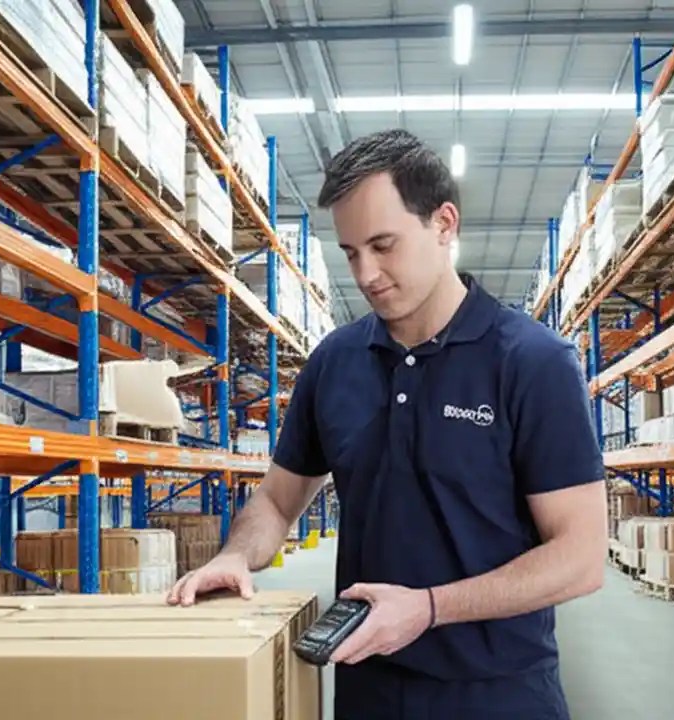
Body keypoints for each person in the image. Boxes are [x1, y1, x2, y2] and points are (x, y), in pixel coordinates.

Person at [166, 128, 607, 719]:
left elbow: (580, 556)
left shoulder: (531, 363)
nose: (366, 273)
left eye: (383, 244)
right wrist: (235, 556)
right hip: (366, 687)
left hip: (497, 693)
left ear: (444, 224)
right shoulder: (334, 362)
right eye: (351, 253)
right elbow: (276, 501)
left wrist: (427, 608)